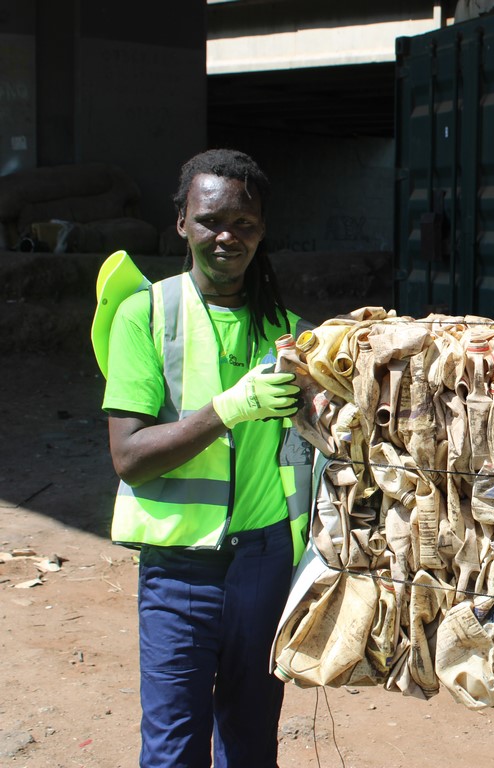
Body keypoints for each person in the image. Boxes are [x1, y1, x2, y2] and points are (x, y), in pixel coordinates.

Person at [98, 148, 314, 767]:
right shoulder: (146, 315)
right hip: (179, 569)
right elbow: (128, 457)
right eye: (210, 221)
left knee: (251, 744)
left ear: (262, 229)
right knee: (173, 749)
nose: (227, 236)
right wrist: (229, 408)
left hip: (266, 563)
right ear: (181, 223)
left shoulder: (290, 332)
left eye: (244, 223)